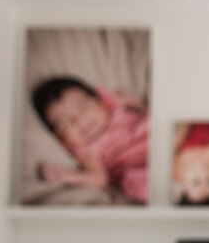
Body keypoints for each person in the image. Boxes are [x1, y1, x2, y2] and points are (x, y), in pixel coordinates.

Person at [31, 76, 149, 204]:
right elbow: (99, 179)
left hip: (163, 138)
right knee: (137, 185)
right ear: (57, 136)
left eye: (84, 107)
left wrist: (137, 104)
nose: (79, 120)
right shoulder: (88, 150)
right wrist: (67, 177)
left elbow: (146, 116)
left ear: (100, 101)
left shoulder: (117, 108)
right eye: (65, 123)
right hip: (144, 165)